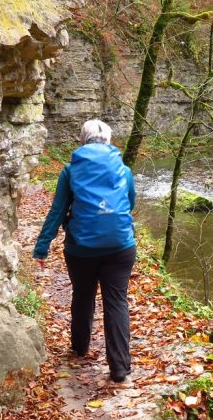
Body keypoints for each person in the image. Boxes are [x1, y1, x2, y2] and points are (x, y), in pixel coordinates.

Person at [33, 119, 136, 384]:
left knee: (83, 294)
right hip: (120, 246)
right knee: (116, 301)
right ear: (109, 141)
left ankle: (80, 347)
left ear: (82, 140)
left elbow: (57, 211)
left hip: (82, 248)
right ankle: (120, 368)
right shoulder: (123, 170)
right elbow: (130, 202)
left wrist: (42, 248)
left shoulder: (71, 170)